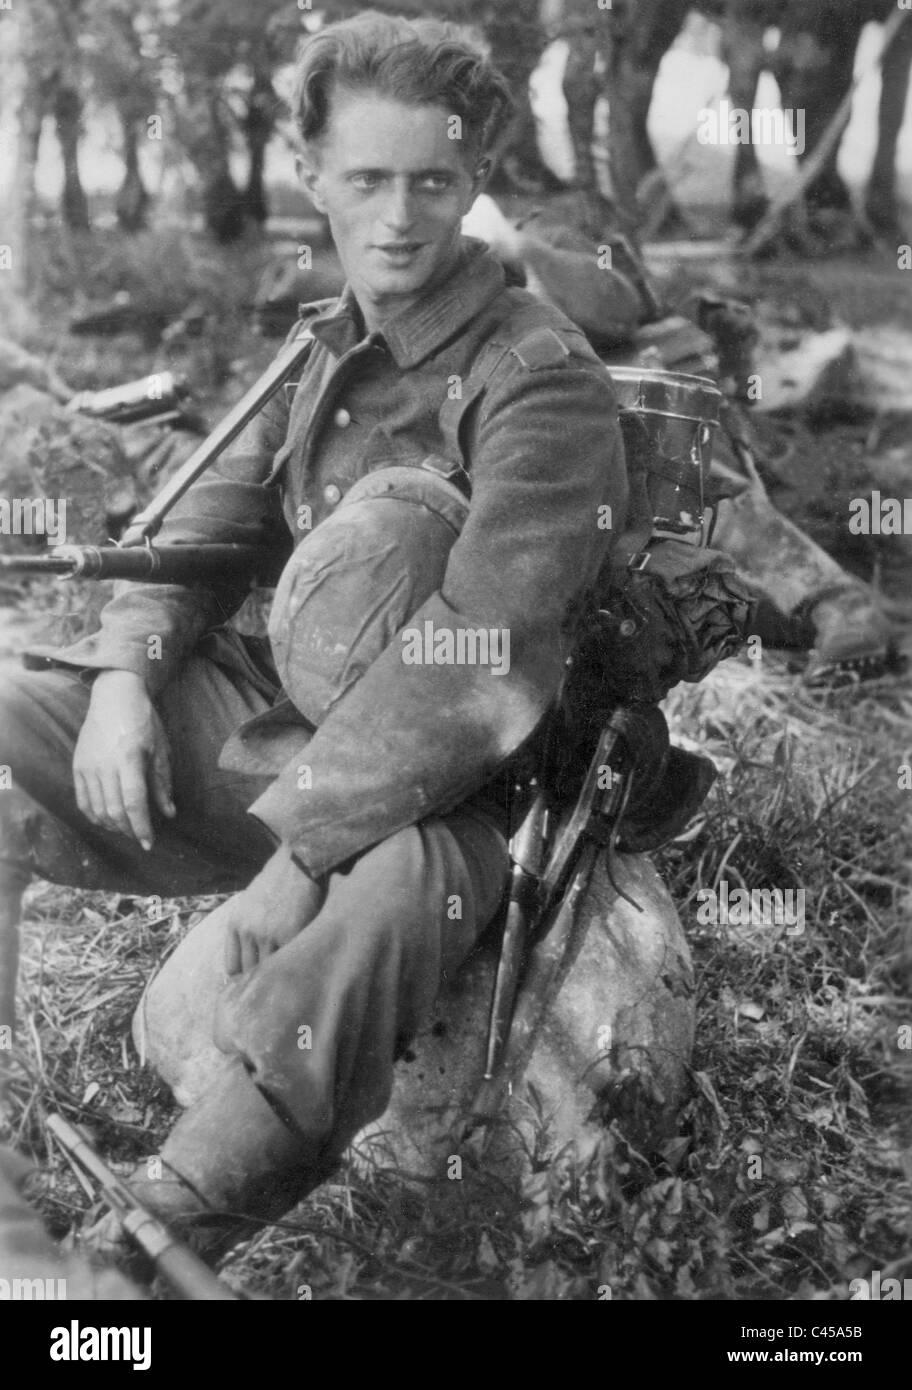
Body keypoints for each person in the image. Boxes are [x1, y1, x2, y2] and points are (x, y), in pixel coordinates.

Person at [0, 13, 627, 1256]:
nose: (398, 217)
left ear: (476, 183)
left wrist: (297, 856)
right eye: (366, 182)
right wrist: (123, 678)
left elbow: (485, 650)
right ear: (312, 178)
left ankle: (153, 1241)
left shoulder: (540, 379)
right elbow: (198, 525)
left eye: (433, 183)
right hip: (282, 726)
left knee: (390, 895)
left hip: (459, 781)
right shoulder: (325, 339)